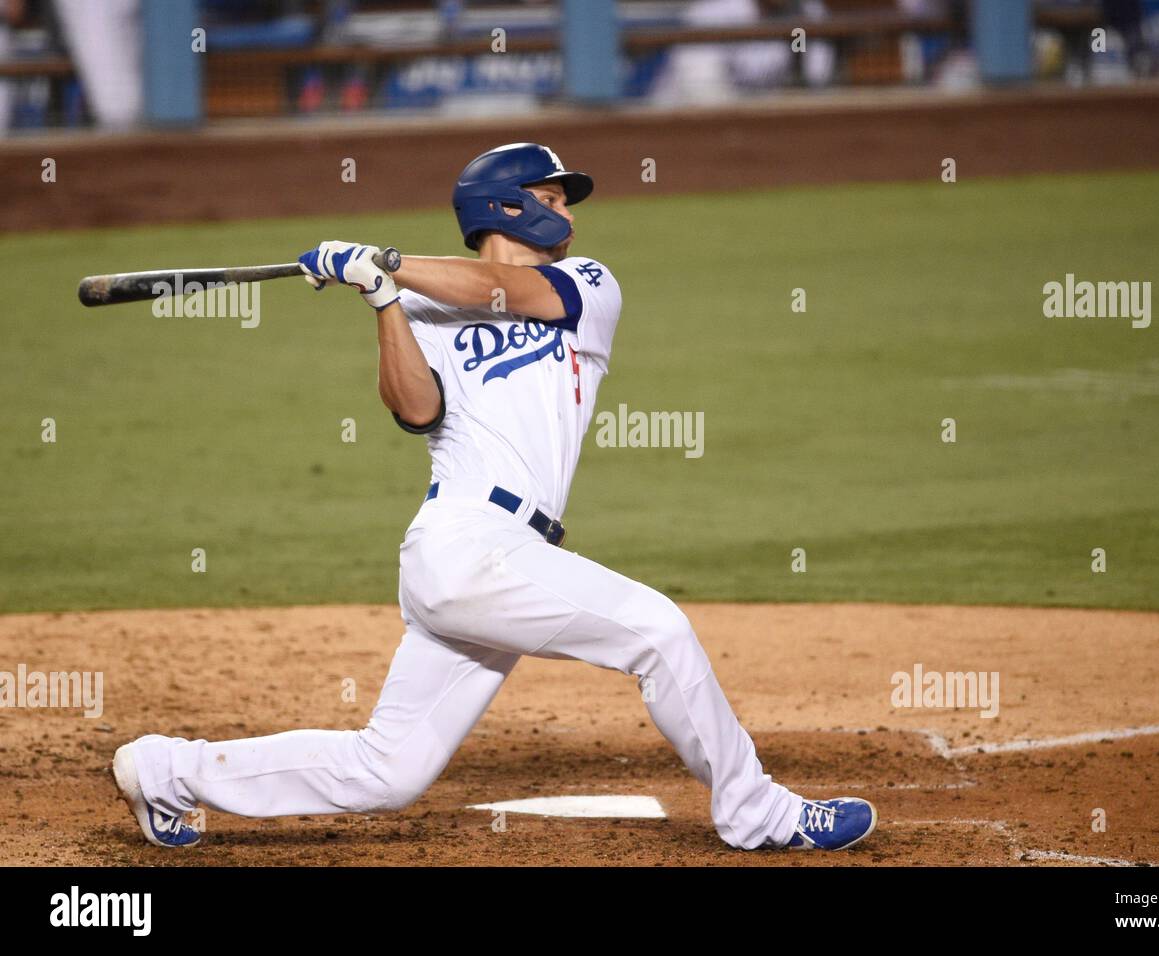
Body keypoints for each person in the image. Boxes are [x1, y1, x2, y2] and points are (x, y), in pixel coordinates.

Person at [111, 142, 877, 853]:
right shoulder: (417, 309)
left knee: (388, 771)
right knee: (659, 631)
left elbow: (504, 290)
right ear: (509, 206)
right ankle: (759, 814)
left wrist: (387, 263)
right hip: (463, 545)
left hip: (506, 556)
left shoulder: (586, 284)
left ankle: (162, 771)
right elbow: (414, 410)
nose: (570, 211)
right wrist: (382, 300)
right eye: (555, 195)